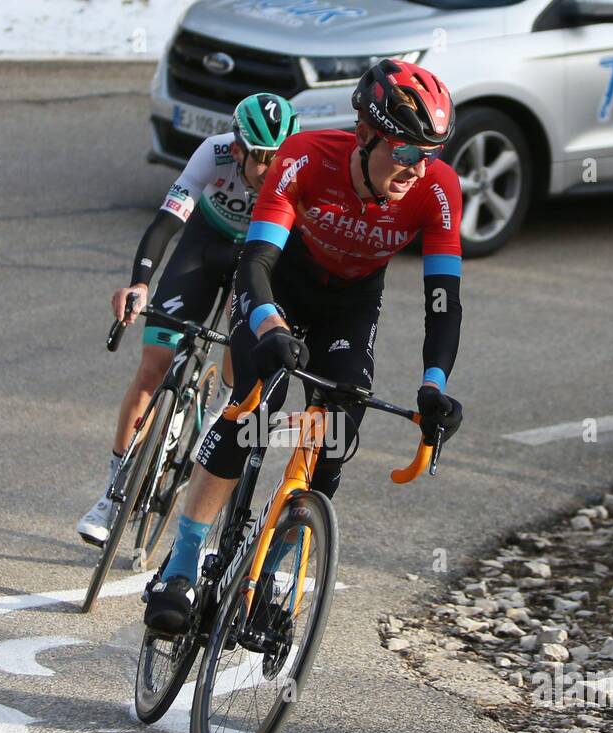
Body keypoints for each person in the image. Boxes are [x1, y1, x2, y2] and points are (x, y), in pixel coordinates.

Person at [144, 59, 466, 631]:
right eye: (406, 151)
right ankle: (184, 564)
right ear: (365, 135)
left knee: (340, 427)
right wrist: (270, 326)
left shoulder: (437, 188)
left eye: (431, 153)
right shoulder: (304, 157)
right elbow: (257, 260)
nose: (418, 168)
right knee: (251, 413)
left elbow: (442, 299)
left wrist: (434, 387)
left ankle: (279, 569)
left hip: (350, 304)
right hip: (278, 287)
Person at [77, 93, 300, 545]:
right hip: (205, 243)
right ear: (237, 150)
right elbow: (165, 222)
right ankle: (112, 493)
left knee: (242, 359)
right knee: (153, 366)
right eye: (262, 159)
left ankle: (216, 407)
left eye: (280, 157)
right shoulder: (213, 153)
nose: (272, 169)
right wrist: (140, 283)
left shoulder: (296, 170)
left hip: (256, 257)